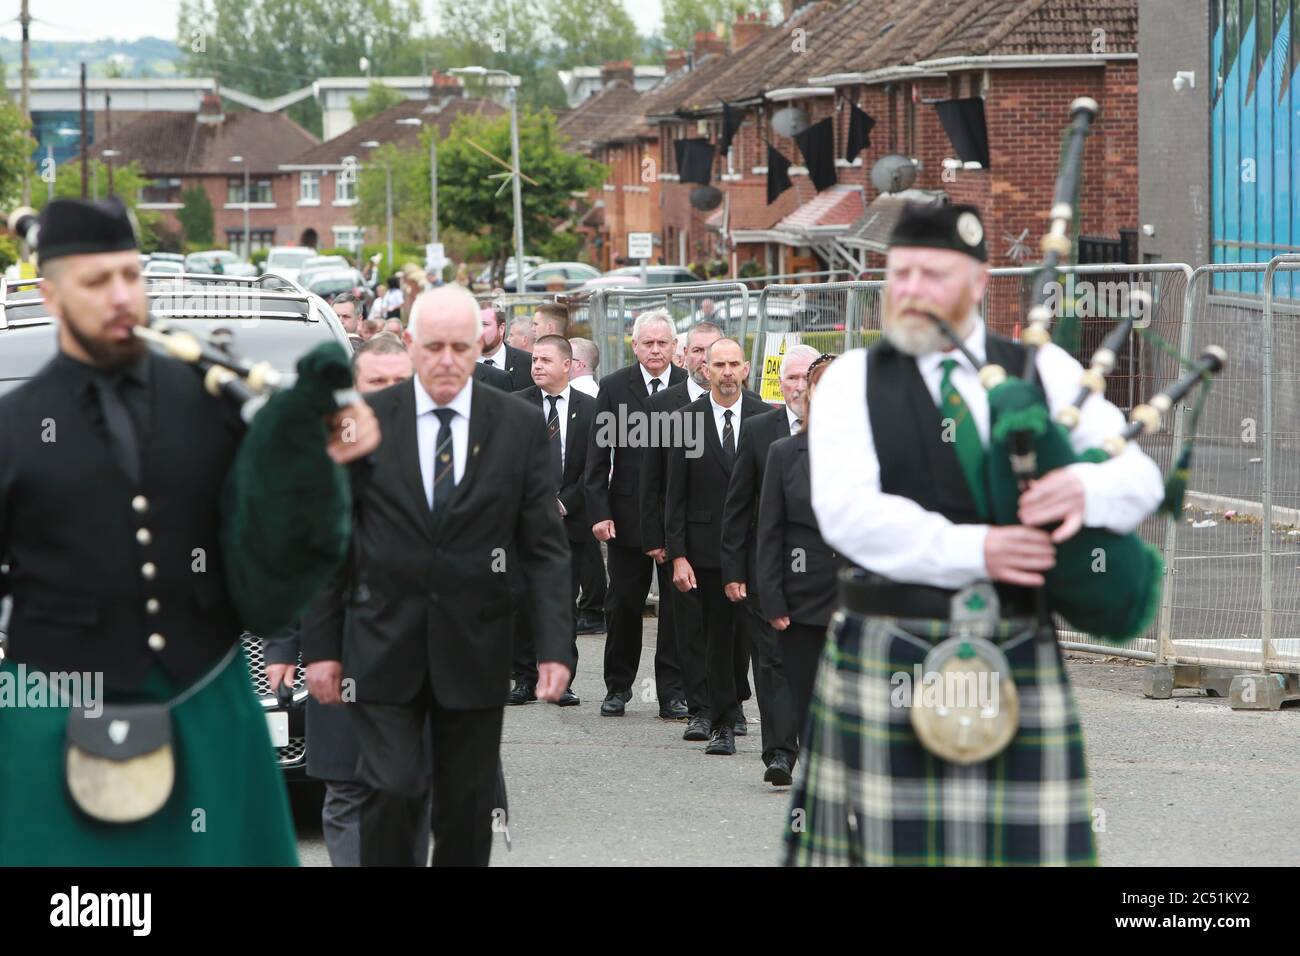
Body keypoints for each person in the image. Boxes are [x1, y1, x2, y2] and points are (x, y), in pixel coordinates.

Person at [0, 197, 378, 865]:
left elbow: (269, 585)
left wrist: (320, 467)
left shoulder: (213, 401)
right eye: (96, 281)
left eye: (130, 275)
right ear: (53, 296)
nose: (121, 296)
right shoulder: (12, 425)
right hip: (50, 714)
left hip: (208, 703)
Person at [785, 203, 1164, 866]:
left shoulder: (1038, 371)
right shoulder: (851, 379)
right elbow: (846, 510)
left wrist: (1086, 486)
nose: (908, 290)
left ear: (979, 282)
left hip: (1014, 642)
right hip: (889, 644)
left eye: (931, 274)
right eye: (898, 273)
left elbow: (1140, 477)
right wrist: (978, 549)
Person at [302, 284, 574, 867]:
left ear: (481, 345)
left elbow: (543, 548)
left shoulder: (518, 425)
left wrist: (555, 646)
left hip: (475, 650)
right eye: (434, 347)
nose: (447, 361)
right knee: (391, 788)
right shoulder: (357, 423)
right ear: (410, 344)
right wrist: (320, 649)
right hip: (382, 648)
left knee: (466, 806)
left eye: (460, 347)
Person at [263, 334, 429, 868]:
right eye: (375, 381)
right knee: (347, 791)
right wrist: (284, 645)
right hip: (342, 647)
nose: (387, 392)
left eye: (398, 381)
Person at [718, 343, 819, 785]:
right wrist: (735, 570)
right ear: (780, 384)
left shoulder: (845, 434)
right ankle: (780, 753)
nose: (798, 387)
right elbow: (738, 506)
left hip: (825, 576)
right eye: (791, 378)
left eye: (806, 379)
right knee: (773, 661)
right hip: (770, 571)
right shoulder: (761, 431)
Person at [665, 338, 770, 756]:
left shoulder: (765, 417)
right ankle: (720, 721)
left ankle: (741, 705)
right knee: (716, 636)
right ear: (704, 369)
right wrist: (678, 555)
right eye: (719, 365)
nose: (727, 372)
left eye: (734, 365)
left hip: (754, 547)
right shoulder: (686, 420)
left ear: (746, 369)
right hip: (705, 548)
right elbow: (675, 493)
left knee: (750, 637)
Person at [584, 309, 687, 719]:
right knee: (623, 604)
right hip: (625, 517)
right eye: (649, 343)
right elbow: (596, 460)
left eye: (663, 343)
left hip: (675, 516)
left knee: (677, 610)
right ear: (634, 345)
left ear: (675, 346)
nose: (656, 350)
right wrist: (599, 512)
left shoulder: (690, 386)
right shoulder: (612, 388)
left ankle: (672, 692)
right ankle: (618, 687)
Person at [753, 352, 842, 753]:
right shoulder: (785, 454)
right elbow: (770, 531)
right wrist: (772, 599)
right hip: (802, 603)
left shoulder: (874, 455)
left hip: (858, 603)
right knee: (808, 705)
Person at [640, 321, 724, 738]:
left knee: (727, 625)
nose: (704, 361)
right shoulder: (664, 407)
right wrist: (658, 538)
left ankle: (727, 702)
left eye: (712, 352)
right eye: (696, 352)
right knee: (680, 620)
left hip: (727, 538)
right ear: (684, 355)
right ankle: (683, 697)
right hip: (681, 535)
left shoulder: (752, 406)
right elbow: (652, 478)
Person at [508, 335, 595, 707]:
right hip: (524, 522)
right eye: (534, 360)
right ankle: (524, 678)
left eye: (545, 360)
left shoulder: (591, 409)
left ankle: (561, 678)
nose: (537, 366)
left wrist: (563, 503)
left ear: (567, 364)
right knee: (523, 600)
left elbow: (594, 468)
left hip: (569, 519)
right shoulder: (515, 406)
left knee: (563, 602)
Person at [479, 306, 532, 390]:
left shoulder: (528, 363)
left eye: (484, 324)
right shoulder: (462, 364)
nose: (478, 330)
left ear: (501, 328)